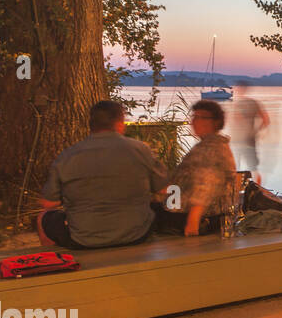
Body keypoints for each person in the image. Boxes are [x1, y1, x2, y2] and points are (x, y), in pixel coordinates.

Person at [37, 100, 168, 249]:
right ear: (119, 123)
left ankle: (56, 263)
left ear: (91, 124)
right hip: (136, 234)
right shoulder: (140, 150)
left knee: (43, 217)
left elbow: (49, 203)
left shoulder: (67, 156)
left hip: (83, 239)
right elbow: (163, 189)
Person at [154, 100, 239, 236]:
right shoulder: (210, 145)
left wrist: (193, 222)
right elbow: (185, 183)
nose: (194, 121)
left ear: (215, 122)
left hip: (195, 218)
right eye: (194, 117)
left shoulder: (210, 149)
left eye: (201, 117)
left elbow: (205, 186)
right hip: (184, 210)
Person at [228, 81, 270, 185]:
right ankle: (258, 190)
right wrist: (255, 132)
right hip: (246, 139)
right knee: (253, 168)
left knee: (237, 168)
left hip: (240, 140)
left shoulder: (239, 104)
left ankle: (240, 192)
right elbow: (266, 120)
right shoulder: (253, 103)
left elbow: (236, 120)